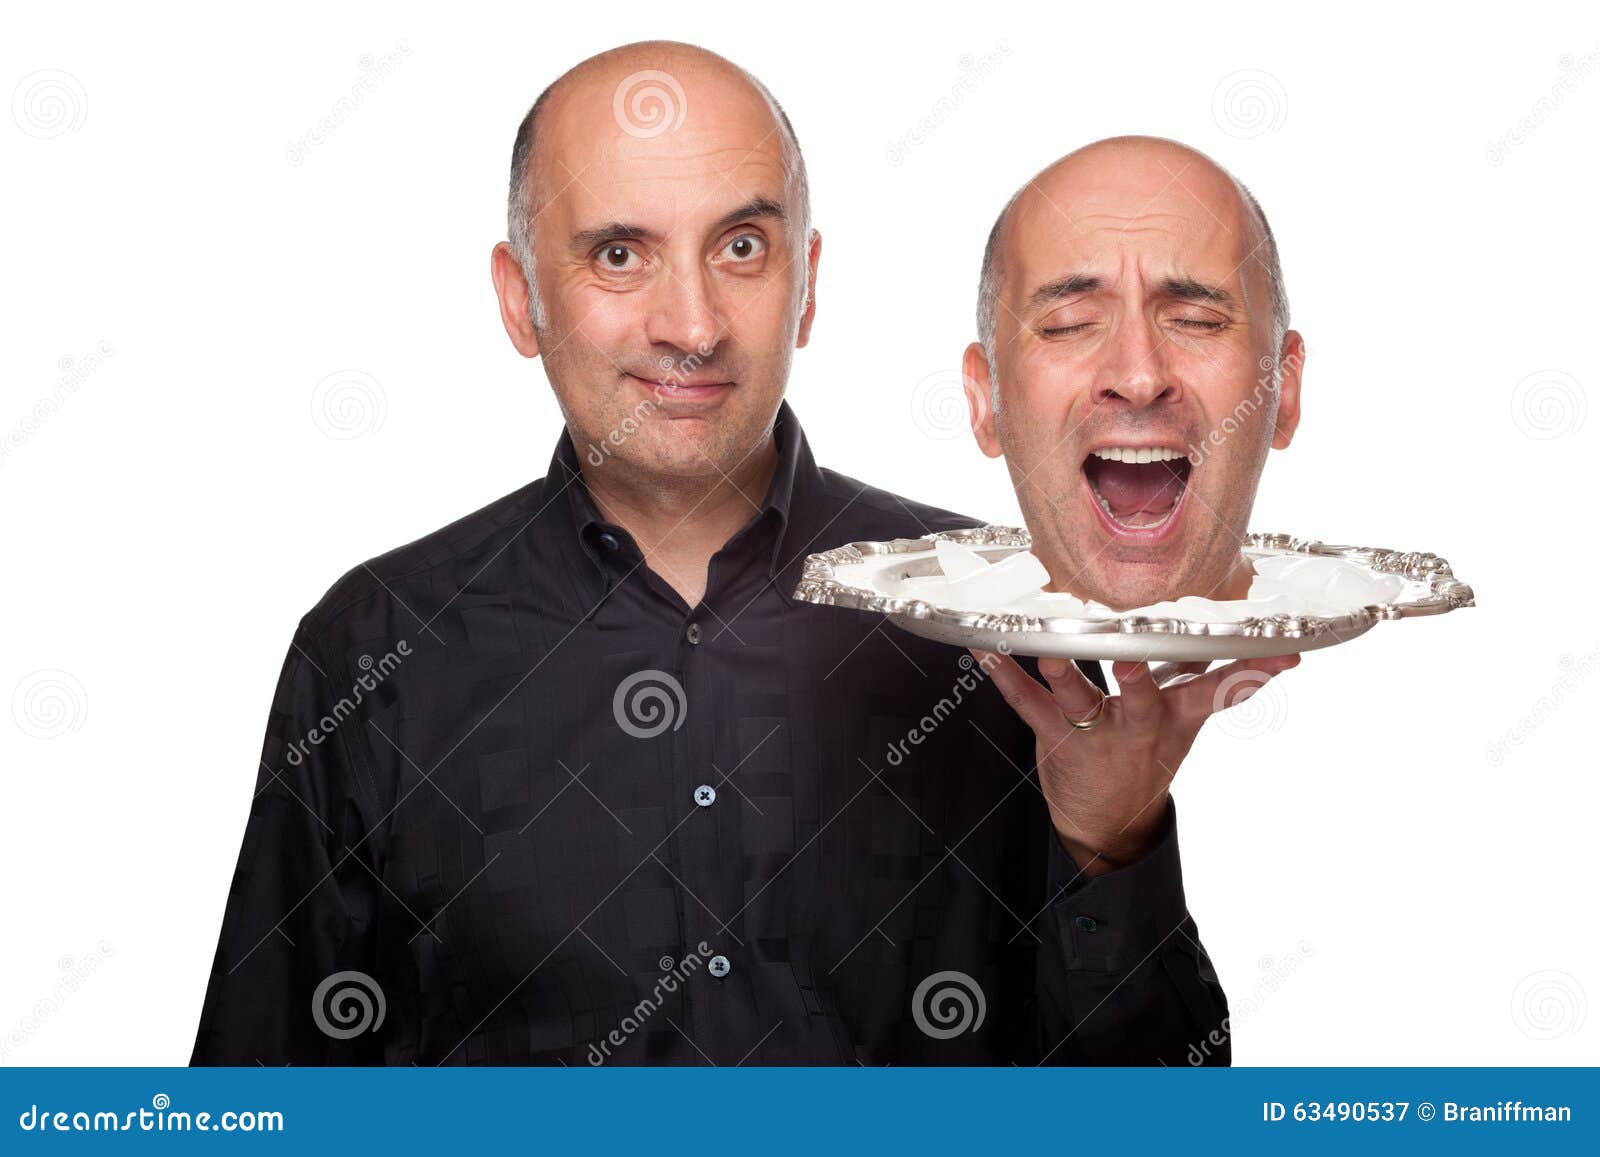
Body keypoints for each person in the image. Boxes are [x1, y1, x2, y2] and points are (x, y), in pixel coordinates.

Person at [191, 43, 1276, 1067]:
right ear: (521, 298)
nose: (694, 322)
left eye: (741, 249)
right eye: (620, 254)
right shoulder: (377, 647)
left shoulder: (997, 620)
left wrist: (1113, 844)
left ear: (805, 283)